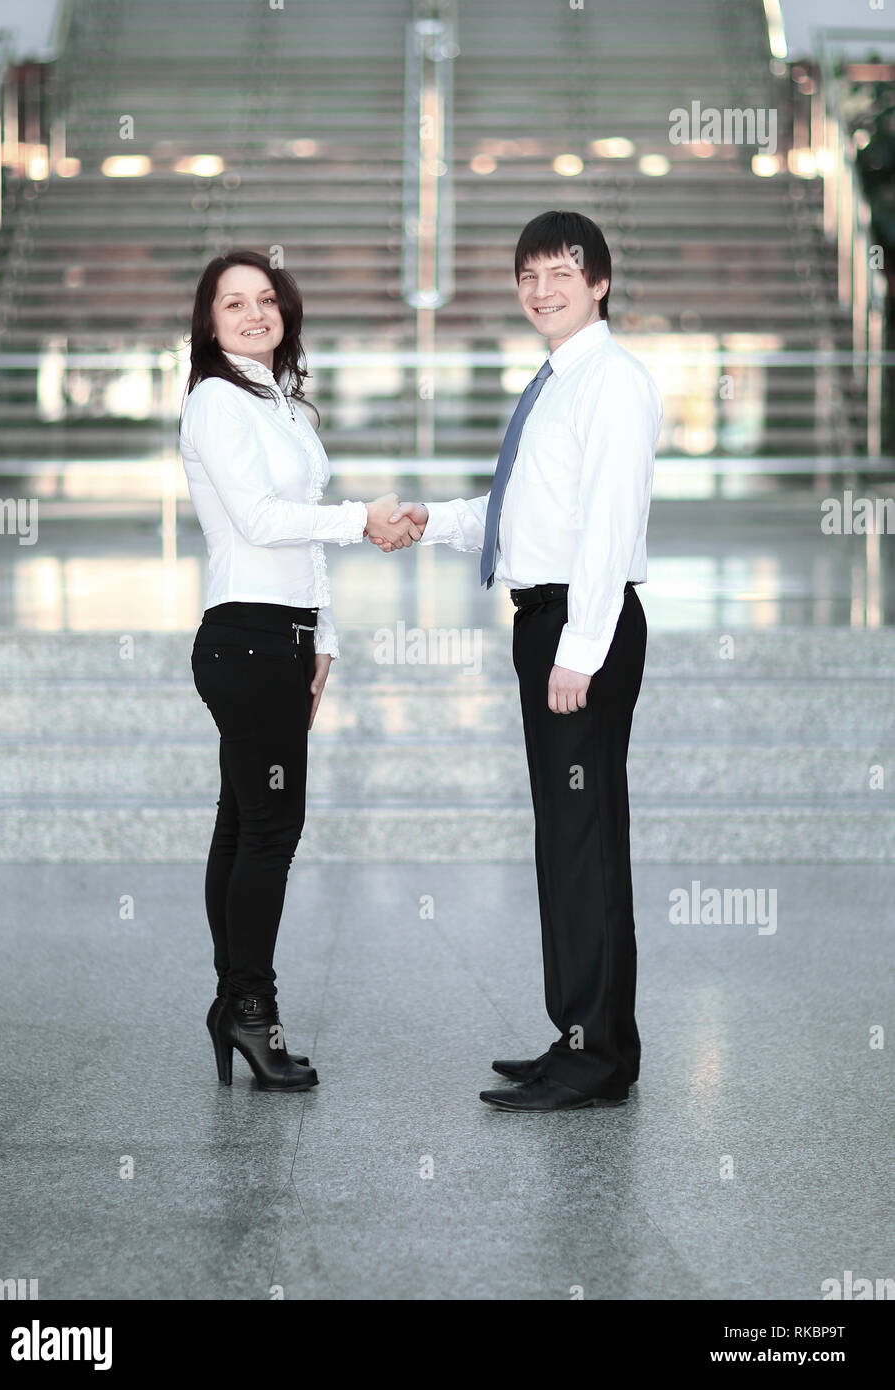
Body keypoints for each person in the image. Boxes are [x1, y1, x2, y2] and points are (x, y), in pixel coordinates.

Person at [382, 211, 663, 1112]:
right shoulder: (557, 381)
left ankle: (593, 1060)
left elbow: (607, 528)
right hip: (549, 619)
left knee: (583, 841)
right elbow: (526, 512)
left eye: (562, 274)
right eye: (529, 276)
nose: (542, 291)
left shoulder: (611, 382)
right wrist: (435, 520)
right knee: (568, 839)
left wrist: (579, 651)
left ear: (600, 283)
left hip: (582, 626)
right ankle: (587, 1041)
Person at [179, 249, 419, 1092]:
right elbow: (260, 519)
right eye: (234, 303)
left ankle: (233, 1005)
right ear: (209, 322)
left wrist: (325, 639)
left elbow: (301, 534)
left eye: (266, 299)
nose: (254, 314)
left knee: (244, 825)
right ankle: (252, 1011)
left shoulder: (277, 403)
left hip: (279, 637)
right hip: (245, 639)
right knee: (271, 832)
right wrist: (364, 519)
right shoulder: (217, 400)